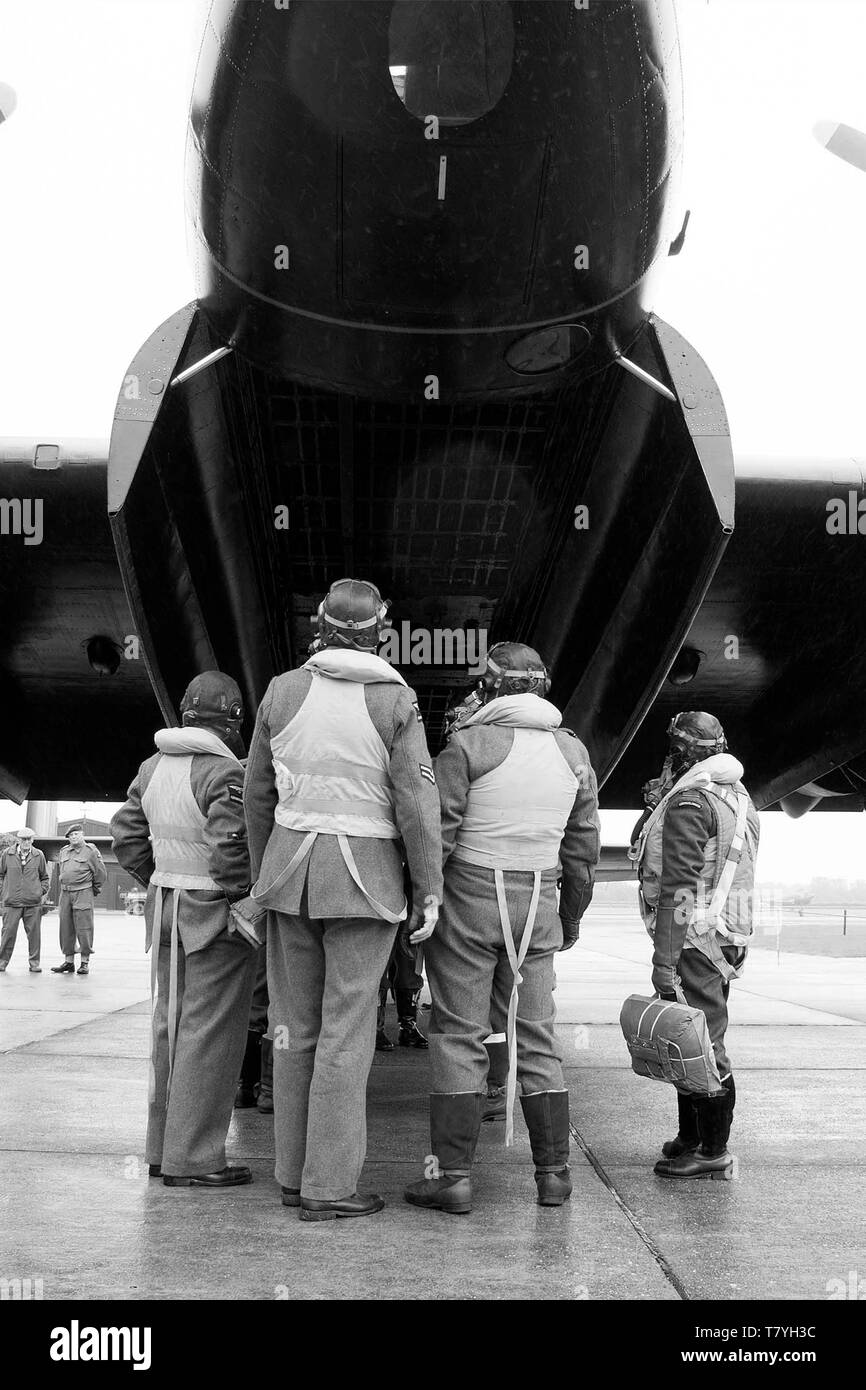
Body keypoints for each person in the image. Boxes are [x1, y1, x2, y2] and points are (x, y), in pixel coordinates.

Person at [243, 578, 443, 1221]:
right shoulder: (395, 700)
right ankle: (330, 1187)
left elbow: (257, 797)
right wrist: (429, 887)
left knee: (291, 1029)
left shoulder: (281, 690)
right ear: (380, 630)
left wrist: (262, 875)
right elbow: (417, 802)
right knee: (347, 1033)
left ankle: (294, 1177)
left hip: (290, 874)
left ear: (320, 625)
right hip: (367, 880)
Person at [404, 642, 600, 1215]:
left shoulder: (466, 745)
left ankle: (454, 1177)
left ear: (489, 687)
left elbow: (436, 833)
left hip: (469, 895)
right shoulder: (574, 753)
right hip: (539, 898)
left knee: (458, 1033)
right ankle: (554, 1176)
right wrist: (570, 916)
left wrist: (425, 901)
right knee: (537, 1034)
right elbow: (582, 847)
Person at [111, 670, 259, 1188]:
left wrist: (159, 880)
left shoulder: (151, 767)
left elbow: (127, 835)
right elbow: (231, 846)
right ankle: (195, 1159)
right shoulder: (226, 773)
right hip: (213, 912)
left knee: (166, 1027)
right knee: (210, 1034)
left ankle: (160, 1152)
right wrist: (241, 897)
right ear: (234, 721)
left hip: (166, 906)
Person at [630, 711, 759, 1180]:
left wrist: (663, 961)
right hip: (724, 936)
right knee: (688, 1036)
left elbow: (679, 887)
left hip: (694, 938)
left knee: (705, 1044)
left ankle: (713, 1150)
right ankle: (693, 1137)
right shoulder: (736, 796)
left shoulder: (689, 802)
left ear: (682, 751)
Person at [51, 826, 106, 975]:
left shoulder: (90, 851)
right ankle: (68, 962)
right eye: (71, 835)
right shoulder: (64, 851)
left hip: (83, 892)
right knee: (66, 927)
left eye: (76, 834)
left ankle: (84, 962)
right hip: (65, 893)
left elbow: (100, 874)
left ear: (82, 835)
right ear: (68, 837)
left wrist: (92, 889)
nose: (74, 837)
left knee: (84, 927)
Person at [0, 829, 49, 973]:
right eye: (23, 839)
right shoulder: (7, 854)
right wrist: (4, 891)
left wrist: (39, 891)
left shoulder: (38, 855)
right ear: (18, 840)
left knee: (34, 936)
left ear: (33, 840)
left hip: (32, 903)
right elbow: (1, 875)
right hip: (11, 903)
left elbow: (44, 877)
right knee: (7, 934)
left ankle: (34, 963)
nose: (26, 842)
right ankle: (2, 962)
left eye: (29, 839)